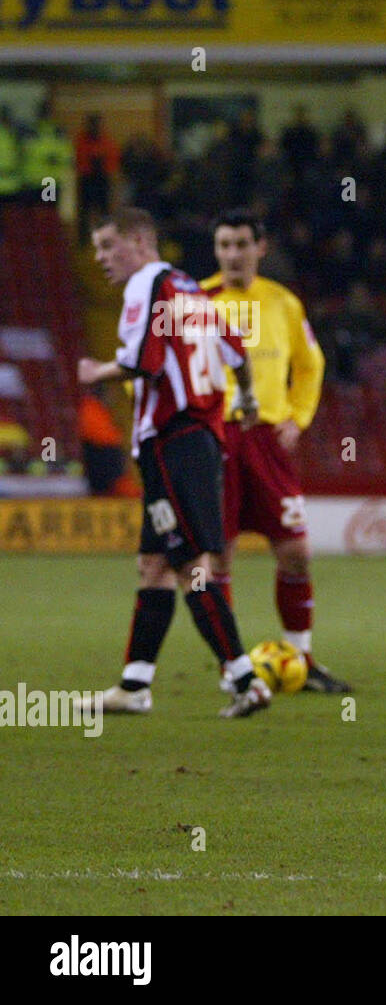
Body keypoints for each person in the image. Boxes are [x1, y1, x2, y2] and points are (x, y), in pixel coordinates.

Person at [72, 208, 270, 718]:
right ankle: (134, 685)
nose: (100, 259)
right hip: (199, 440)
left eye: (107, 246)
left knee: (190, 567)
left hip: (172, 442)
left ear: (139, 241)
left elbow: (142, 362)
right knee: (154, 564)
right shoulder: (191, 288)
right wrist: (245, 402)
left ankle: (246, 679)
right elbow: (237, 354)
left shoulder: (147, 283)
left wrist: (97, 371)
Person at [200, 210, 352, 695]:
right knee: (216, 558)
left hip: (267, 440)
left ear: (260, 248)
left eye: (242, 244)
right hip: (216, 437)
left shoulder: (283, 303)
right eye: (224, 245)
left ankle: (300, 658)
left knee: (295, 552)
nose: (232, 254)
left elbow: (311, 365)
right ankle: (233, 668)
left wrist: (298, 418)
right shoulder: (195, 302)